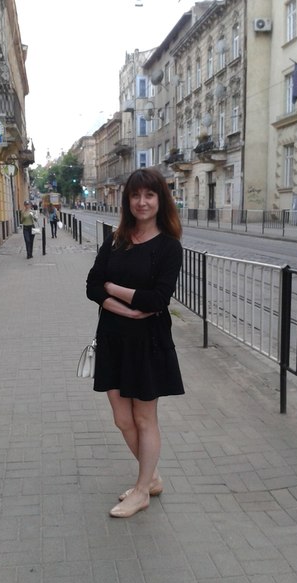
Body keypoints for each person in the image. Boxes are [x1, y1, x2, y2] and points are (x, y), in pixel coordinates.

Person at [86, 168, 184, 518]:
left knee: (144, 418)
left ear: (160, 200)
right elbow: (92, 286)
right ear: (127, 200)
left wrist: (113, 289)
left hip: (148, 343)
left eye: (149, 195)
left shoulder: (169, 247)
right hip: (113, 337)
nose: (142, 202)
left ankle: (142, 491)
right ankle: (151, 477)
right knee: (121, 419)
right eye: (135, 195)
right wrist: (124, 307)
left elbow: (157, 300)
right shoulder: (116, 240)